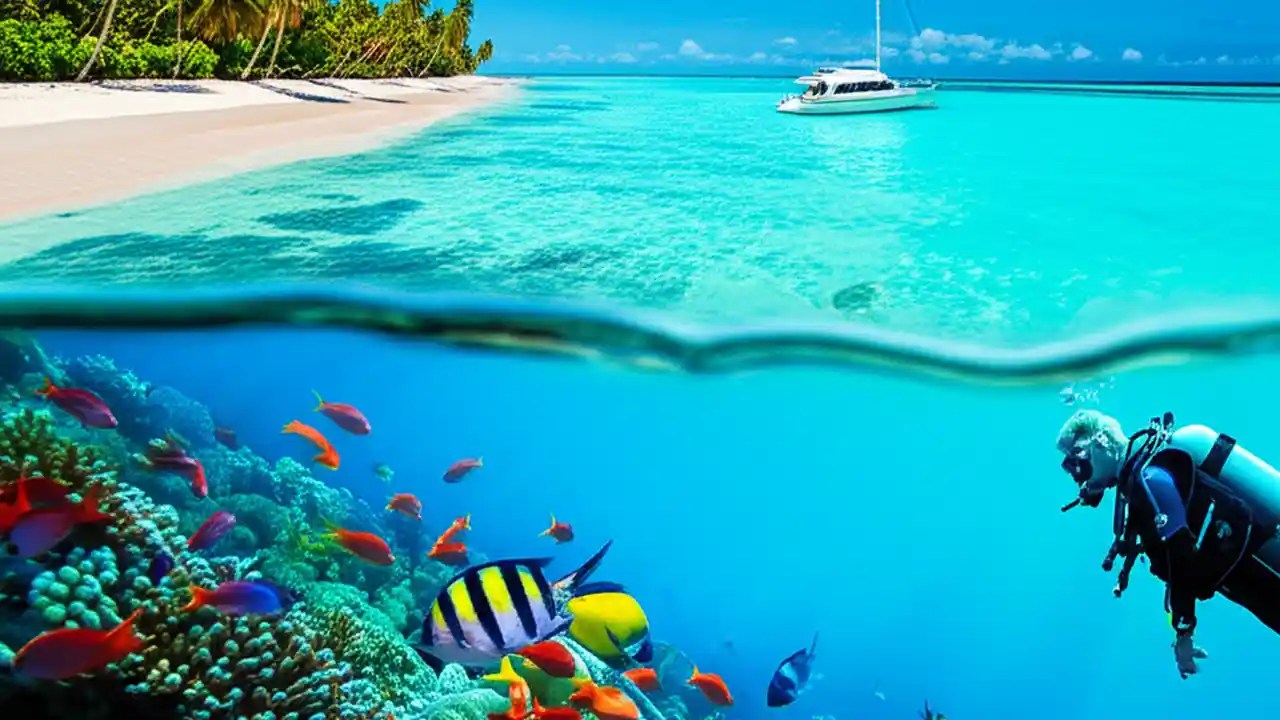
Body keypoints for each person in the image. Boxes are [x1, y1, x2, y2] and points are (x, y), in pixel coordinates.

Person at [1055, 409, 1280, 678]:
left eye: (1074, 461)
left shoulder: (1149, 477)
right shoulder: (1142, 480)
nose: (1076, 474)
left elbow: (1178, 547)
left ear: (1101, 441)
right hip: (1249, 568)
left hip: (1258, 561)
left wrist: (1183, 632)